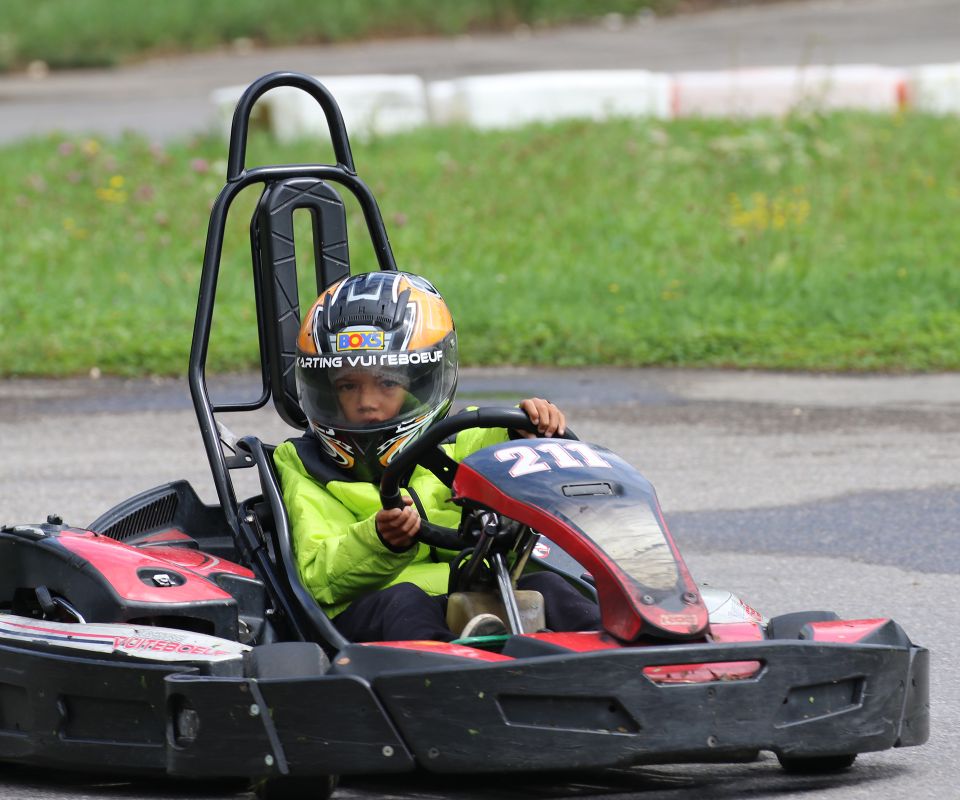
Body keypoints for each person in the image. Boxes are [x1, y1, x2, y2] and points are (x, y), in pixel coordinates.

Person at [273, 270, 600, 643]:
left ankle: (622, 653)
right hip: (364, 616)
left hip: (470, 594)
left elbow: (495, 454)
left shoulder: (456, 439)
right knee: (405, 600)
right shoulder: (305, 465)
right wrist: (379, 540)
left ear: (419, 380)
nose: (367, 402)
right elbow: (316, 579)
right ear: (326, 390)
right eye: (348, 385)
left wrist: (528, 434)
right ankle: (452, 674)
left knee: (547, 586)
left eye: (386, 383)